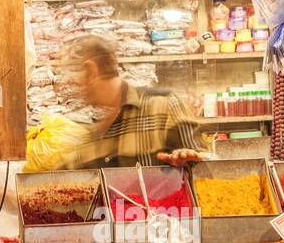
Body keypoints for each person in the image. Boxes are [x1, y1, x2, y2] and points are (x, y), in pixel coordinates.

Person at [61, 34, 209, 169]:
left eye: (73, 75)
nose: (68, 84)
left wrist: (186, 161)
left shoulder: (164, 104)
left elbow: (205, 169)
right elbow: (67, 181)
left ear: (91, 70)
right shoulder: (93, 136)